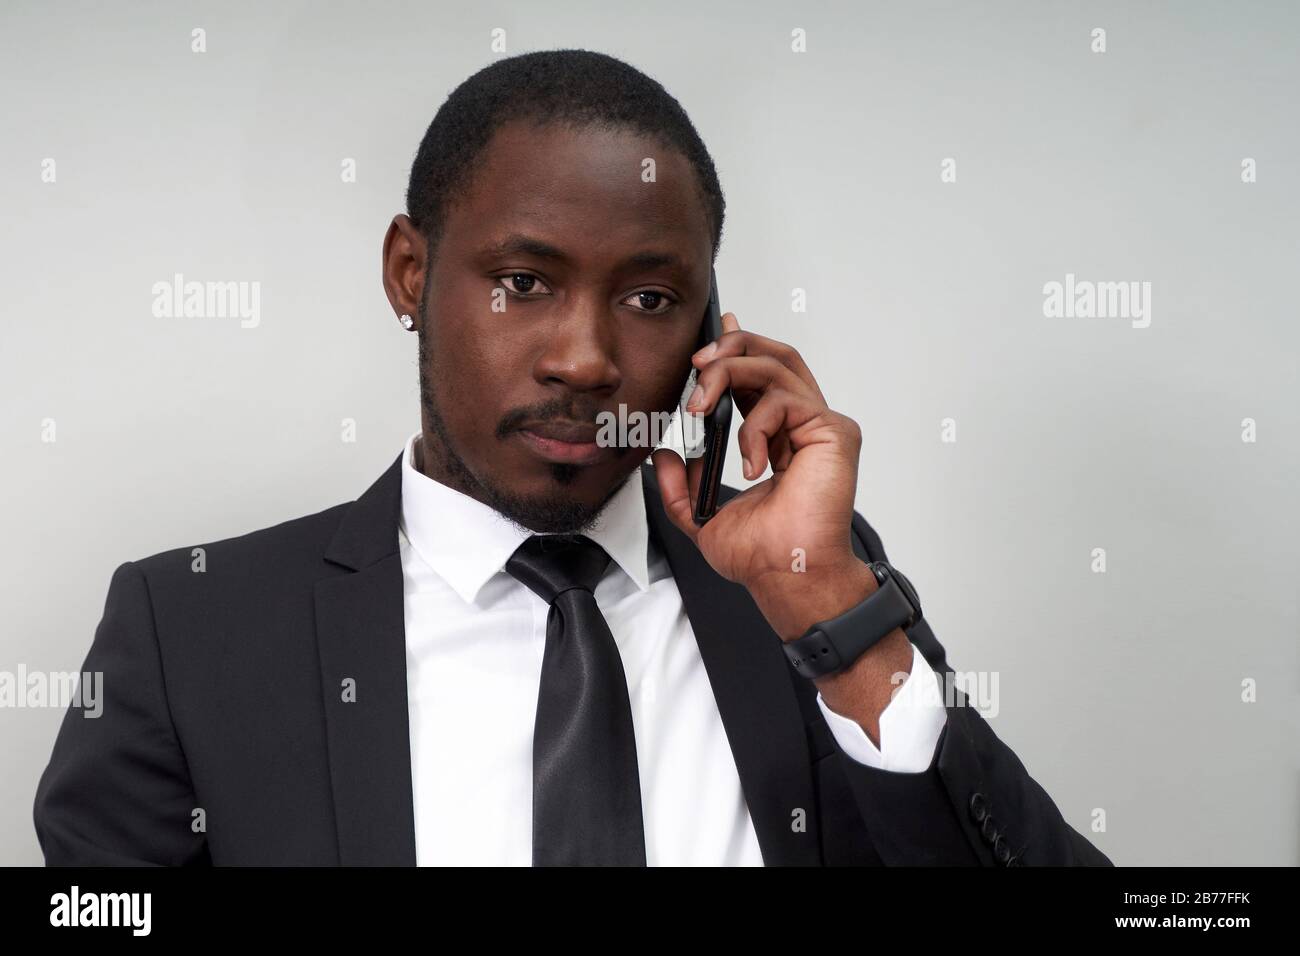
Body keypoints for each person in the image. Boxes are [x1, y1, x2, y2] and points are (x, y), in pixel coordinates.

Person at [34, 49, 1111, 866]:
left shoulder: (806, 597)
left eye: (648, 299)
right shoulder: (191, 634)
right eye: (523, 280)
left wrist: (836, 611)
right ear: (410, 273)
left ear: (711, 331)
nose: (585, 358)